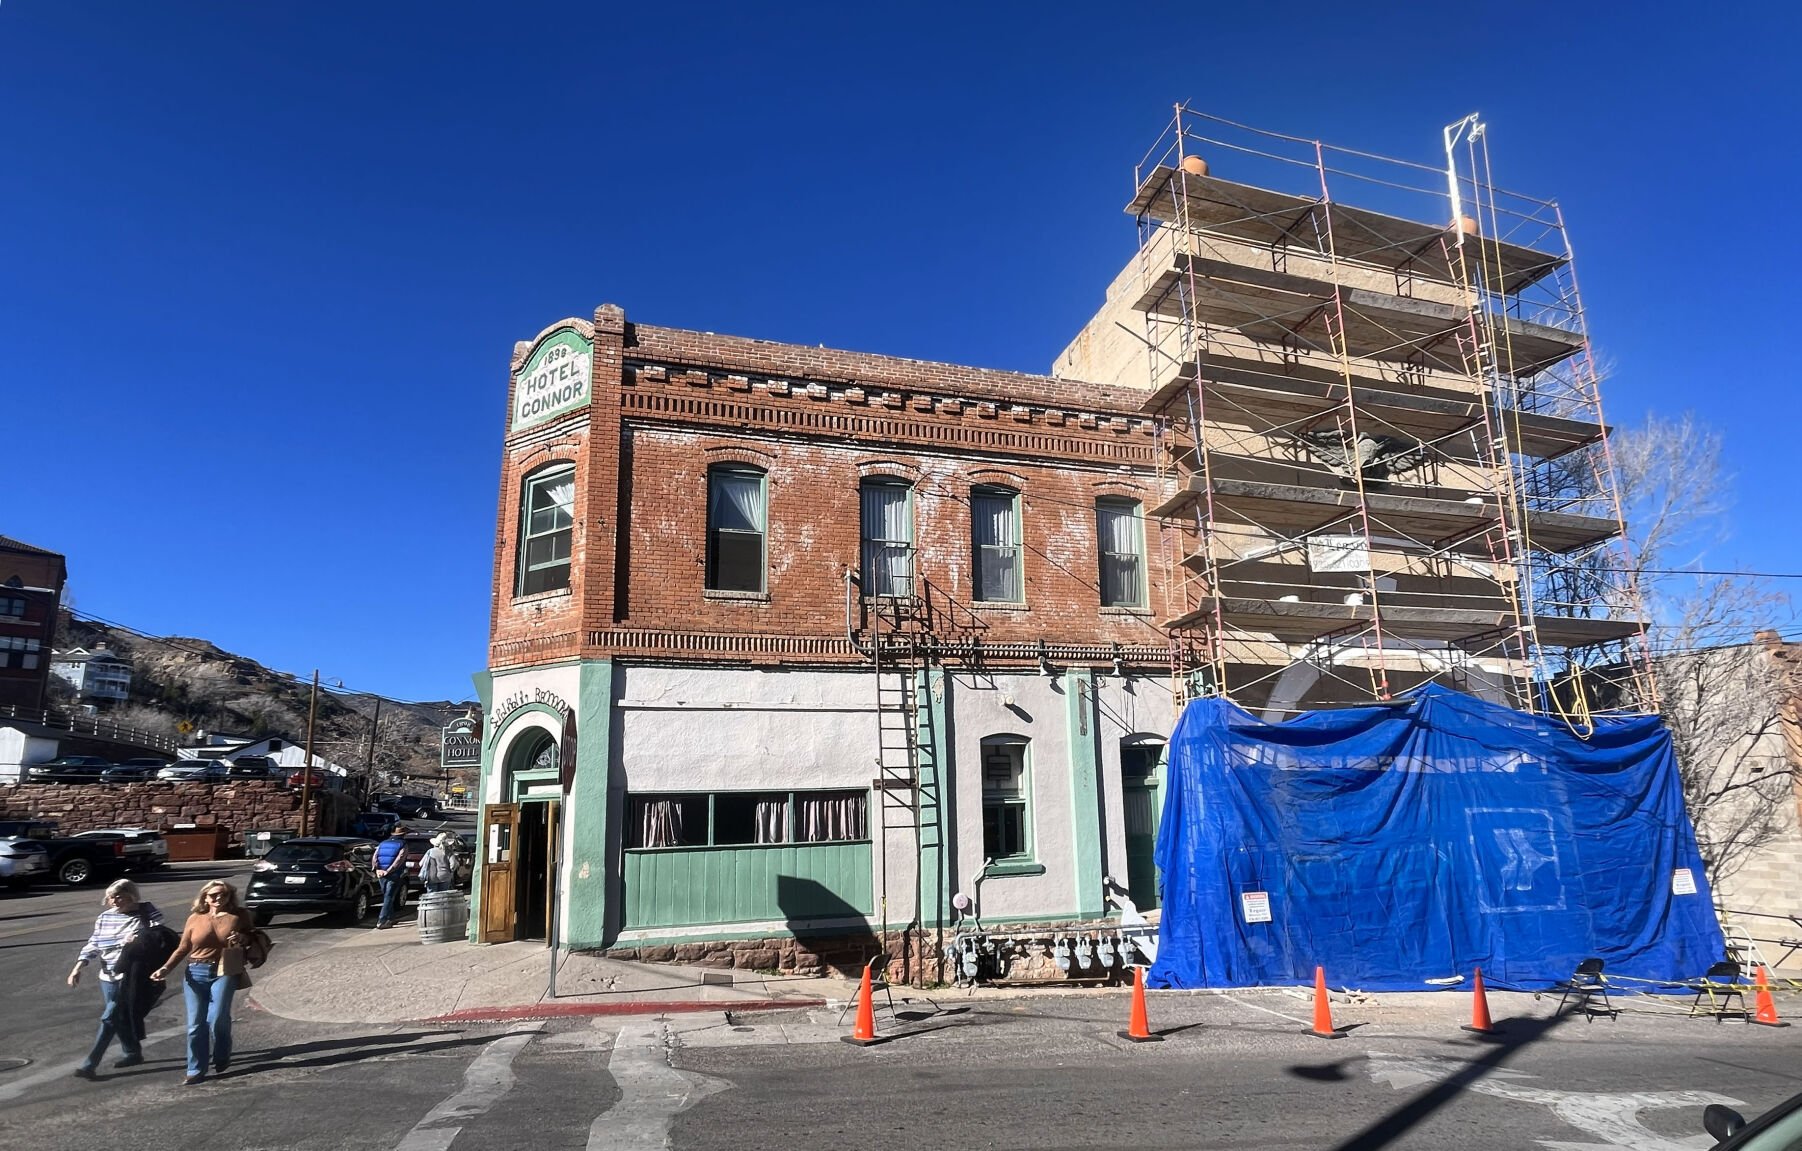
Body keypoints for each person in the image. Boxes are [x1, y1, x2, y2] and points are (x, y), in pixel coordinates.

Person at [150, 880, 252, 1085]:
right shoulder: (195, 918)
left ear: (229, 897)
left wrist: (242, 938)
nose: (218, 898)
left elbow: (252, 937)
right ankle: (195, 1069)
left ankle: (222, 1053)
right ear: (205, 897)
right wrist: (166, 968)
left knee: (217, 1018)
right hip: (195, 971)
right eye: (213, 895)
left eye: (223, 894)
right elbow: (183, 948)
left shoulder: (239, 916)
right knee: (195, 1024)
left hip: (225, 970)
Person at [67, 879, 163, 1079]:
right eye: (110, 897)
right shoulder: (105, 917)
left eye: (118, 896)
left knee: (109, 1018)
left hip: (130, 975)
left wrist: (138, 938)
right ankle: (132, 1052)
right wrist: (78, 967)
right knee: (119, 1016)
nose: (114, 901)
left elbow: (157, 934)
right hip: (107, 975)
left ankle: (90, 1064)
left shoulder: (145, 912)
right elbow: (94, 943)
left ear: (131, 895)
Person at [373, 823, 410, 928]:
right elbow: (399, 860)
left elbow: (375, 856)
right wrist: (389, 870)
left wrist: (377, 869)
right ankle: (382, 920)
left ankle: (390, 918)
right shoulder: (403, 844)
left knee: (387, 895)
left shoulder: (383, 843)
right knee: (389, 897)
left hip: (381, 873)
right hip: (393, 874)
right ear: (403, 834)